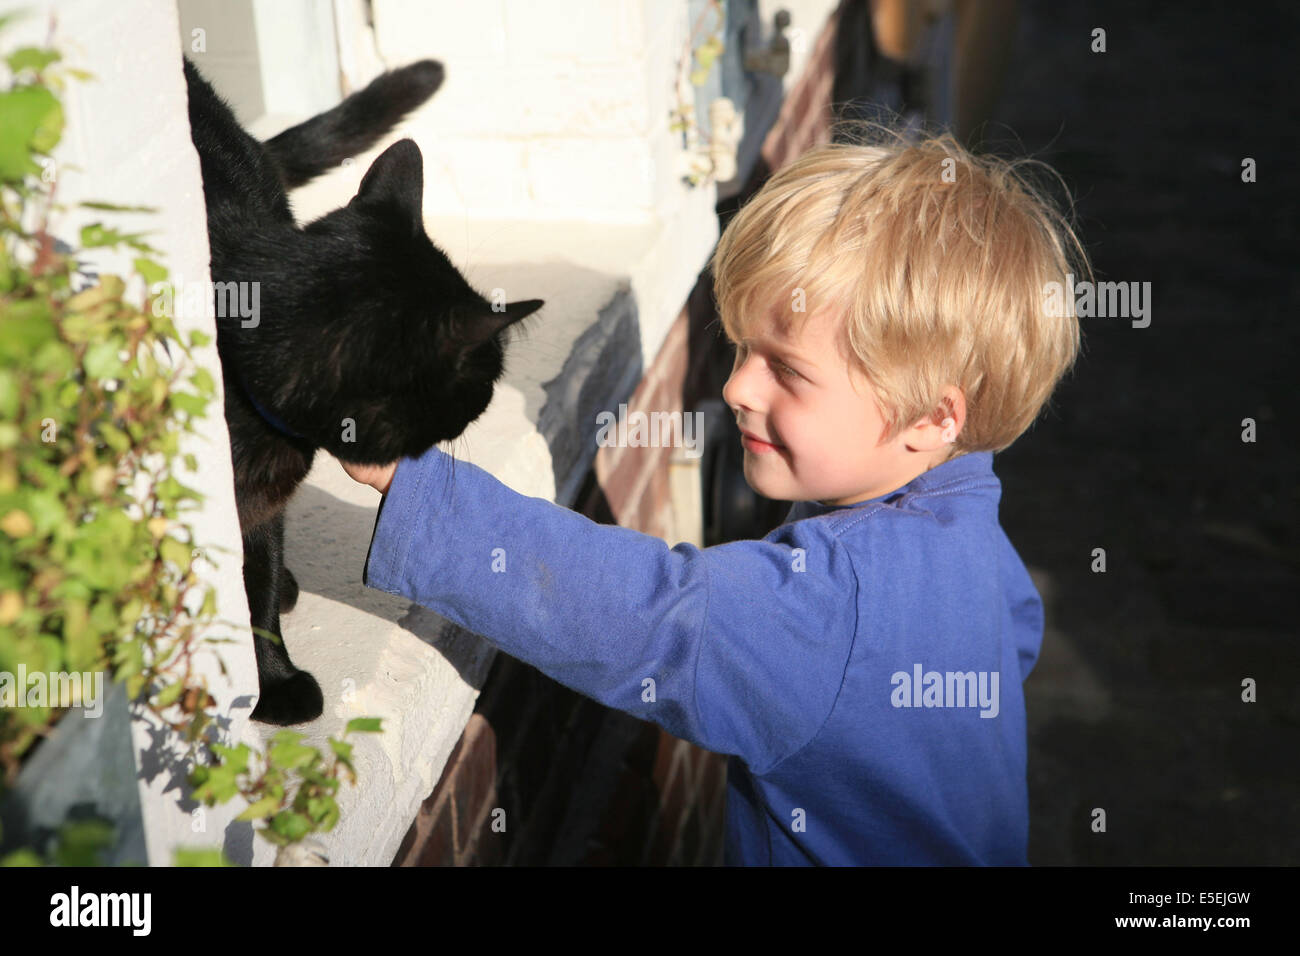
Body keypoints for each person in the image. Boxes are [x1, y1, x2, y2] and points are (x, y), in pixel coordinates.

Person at [341, 124, 1089, 865]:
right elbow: (1015, 637)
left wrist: (418, 490)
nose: (735, 387)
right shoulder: (970, 532)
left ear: (933, 417)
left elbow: (654, 617)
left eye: (787, 370)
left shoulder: (828, 610)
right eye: (740, 347)